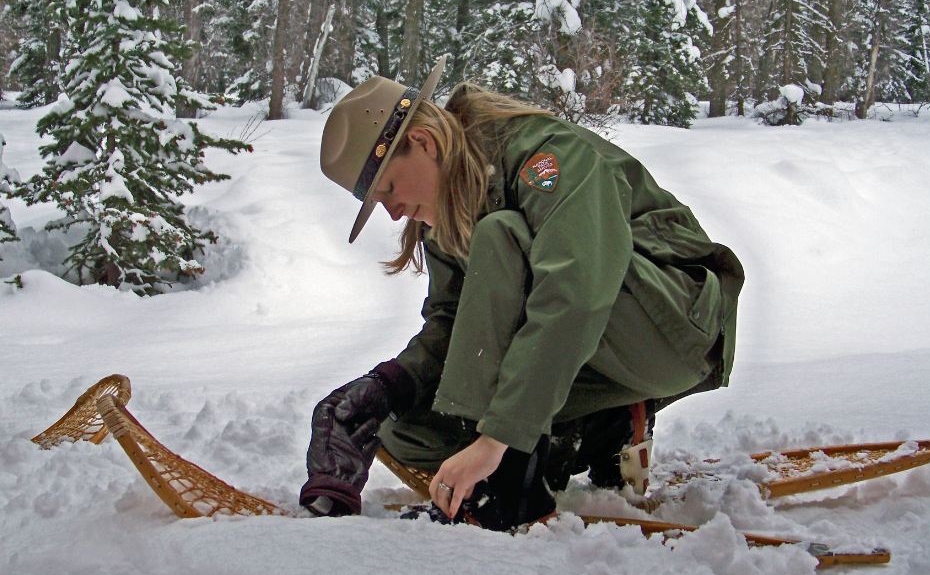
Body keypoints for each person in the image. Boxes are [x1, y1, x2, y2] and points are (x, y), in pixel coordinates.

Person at [299, 56, 744, 530]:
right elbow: (456, 327)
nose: (391, 214)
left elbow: (575, 291)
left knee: (501, 236)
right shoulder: (444, 213)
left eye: (387, 190)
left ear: (422, 142)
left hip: (674, 327)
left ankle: (507, 489)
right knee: (409, 431)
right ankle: (600, 429)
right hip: (590, 347)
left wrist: (496, 441)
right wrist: (385, 388)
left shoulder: (545, 158)